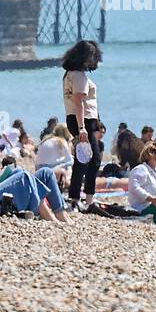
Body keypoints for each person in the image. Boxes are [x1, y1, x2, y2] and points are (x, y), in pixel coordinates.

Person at [61, 40, 102, 210]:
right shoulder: (78, 75)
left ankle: (78, 198)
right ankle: (84, 199)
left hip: (78, 119)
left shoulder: (69, 74)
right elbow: (79, 101)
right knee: (92, 160)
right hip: (82, 120)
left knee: (84, 159)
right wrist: (82, 127)